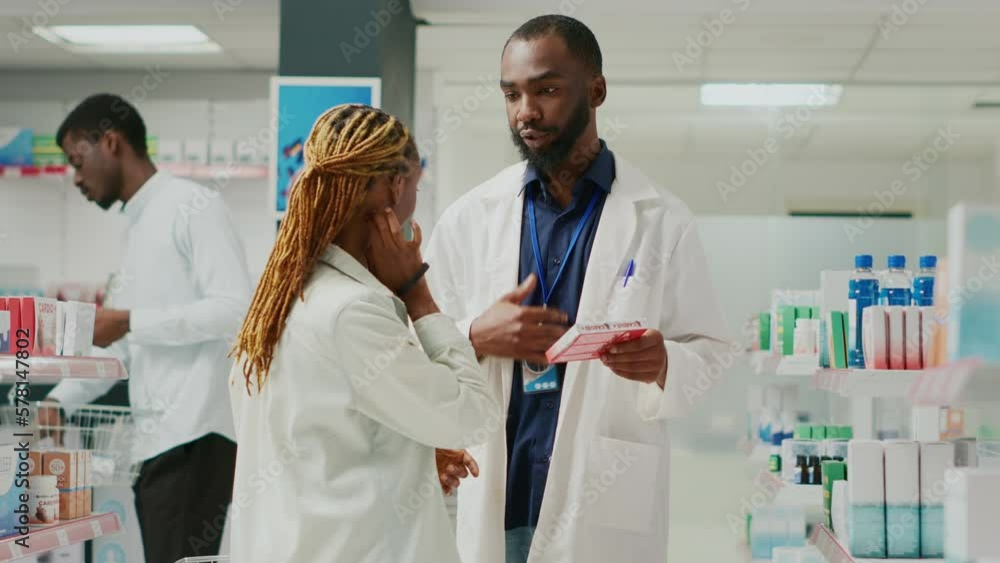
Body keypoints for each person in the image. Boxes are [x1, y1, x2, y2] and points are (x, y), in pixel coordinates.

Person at [425, 15, 731, 563]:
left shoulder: (661, 220)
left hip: (601, 497)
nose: (526, 112)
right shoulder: (470, 218)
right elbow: (420, 345)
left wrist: (664, 363)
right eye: (511, 94)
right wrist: (474, 334)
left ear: (596, 89)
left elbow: (710, 351)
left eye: (546, 89)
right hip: (500, 488)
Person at [228, 104, 498, 563]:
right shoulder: (355, 311)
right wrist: (419, 296)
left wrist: (410, 457)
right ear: (394, 189)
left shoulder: (281, 302)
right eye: (415, 186)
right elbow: (474, 414)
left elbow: (316, 445)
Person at [47, 94, 253, 563]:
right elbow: (122, 344)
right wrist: (60, 399)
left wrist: (129, 319)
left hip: (196, 437)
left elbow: (236, 311)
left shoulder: (193, 206)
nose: (75, 177)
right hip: (160, 443)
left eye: (77, 161)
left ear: (112, 143)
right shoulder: (136, 227)